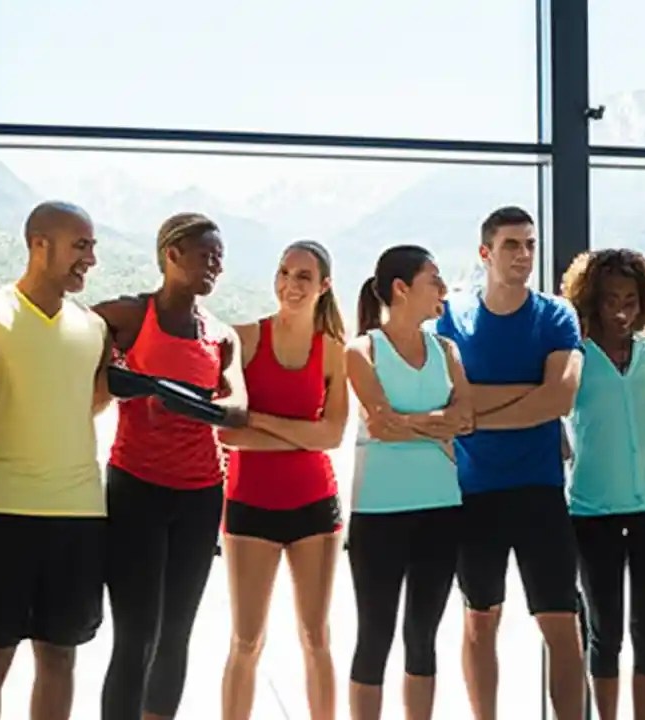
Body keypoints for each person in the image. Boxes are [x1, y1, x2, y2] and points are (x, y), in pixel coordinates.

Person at [0, 201, 113, 720]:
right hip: (1, 509)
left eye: (92, 246)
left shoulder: (95, 327)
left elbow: (87, 399)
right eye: (80, 245)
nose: (90, 258)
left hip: (80, 513)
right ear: (39, 243)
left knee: (61, 657)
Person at [92, 212, 249, 720]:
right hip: (136, 487)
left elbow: (239, 411)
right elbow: (68, 338)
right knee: (136, 633)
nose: (215, 265)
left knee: (176, 633)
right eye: (206, 254)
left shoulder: (221, 335)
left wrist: (171, 394)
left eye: (220, 256)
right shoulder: (129, 315)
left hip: (201, 494)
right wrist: (117, 377)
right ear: (172, 255)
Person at [434, 206, 585, 720]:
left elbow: (559, 400)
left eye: (529, 245)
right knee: (480, 619)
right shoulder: (452, 319)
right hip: (473, 492)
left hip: (540, 490)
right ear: (486, 253)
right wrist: (524, 396)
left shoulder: (557, 315)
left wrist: (474, 412)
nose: (523, 255)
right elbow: (444, 398)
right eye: (511, 245)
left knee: (562, 622)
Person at [216, 240, 348, 720]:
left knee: (317, 636)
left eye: (303, 277)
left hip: (315, 503)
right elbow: (228, 433)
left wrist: (262, 421)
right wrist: (300, 435)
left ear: (324, 286)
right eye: (285, 273)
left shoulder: (333, 350)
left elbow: (332, 434)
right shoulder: (243, 339)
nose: (290, 285)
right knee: (245, 639)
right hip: (249, 504)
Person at [345, 245, 473, 720]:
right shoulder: (362, 350)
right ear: (401, 289)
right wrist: (436, 426)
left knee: (422, 637)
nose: (442, 290)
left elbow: (466, 418)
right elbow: (379, 424)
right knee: (374, 636)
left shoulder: (447, 350)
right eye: (433, 280)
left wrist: (411, 422)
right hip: (379, 514)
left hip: (441, 508)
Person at [559, 248, 645, 720]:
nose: (621, 311)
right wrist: (560, 445)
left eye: (630, 300)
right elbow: (549, 410)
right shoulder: (576, 358)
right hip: (591, 514)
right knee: (604, 632)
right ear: (592, 301)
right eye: (610, 300)